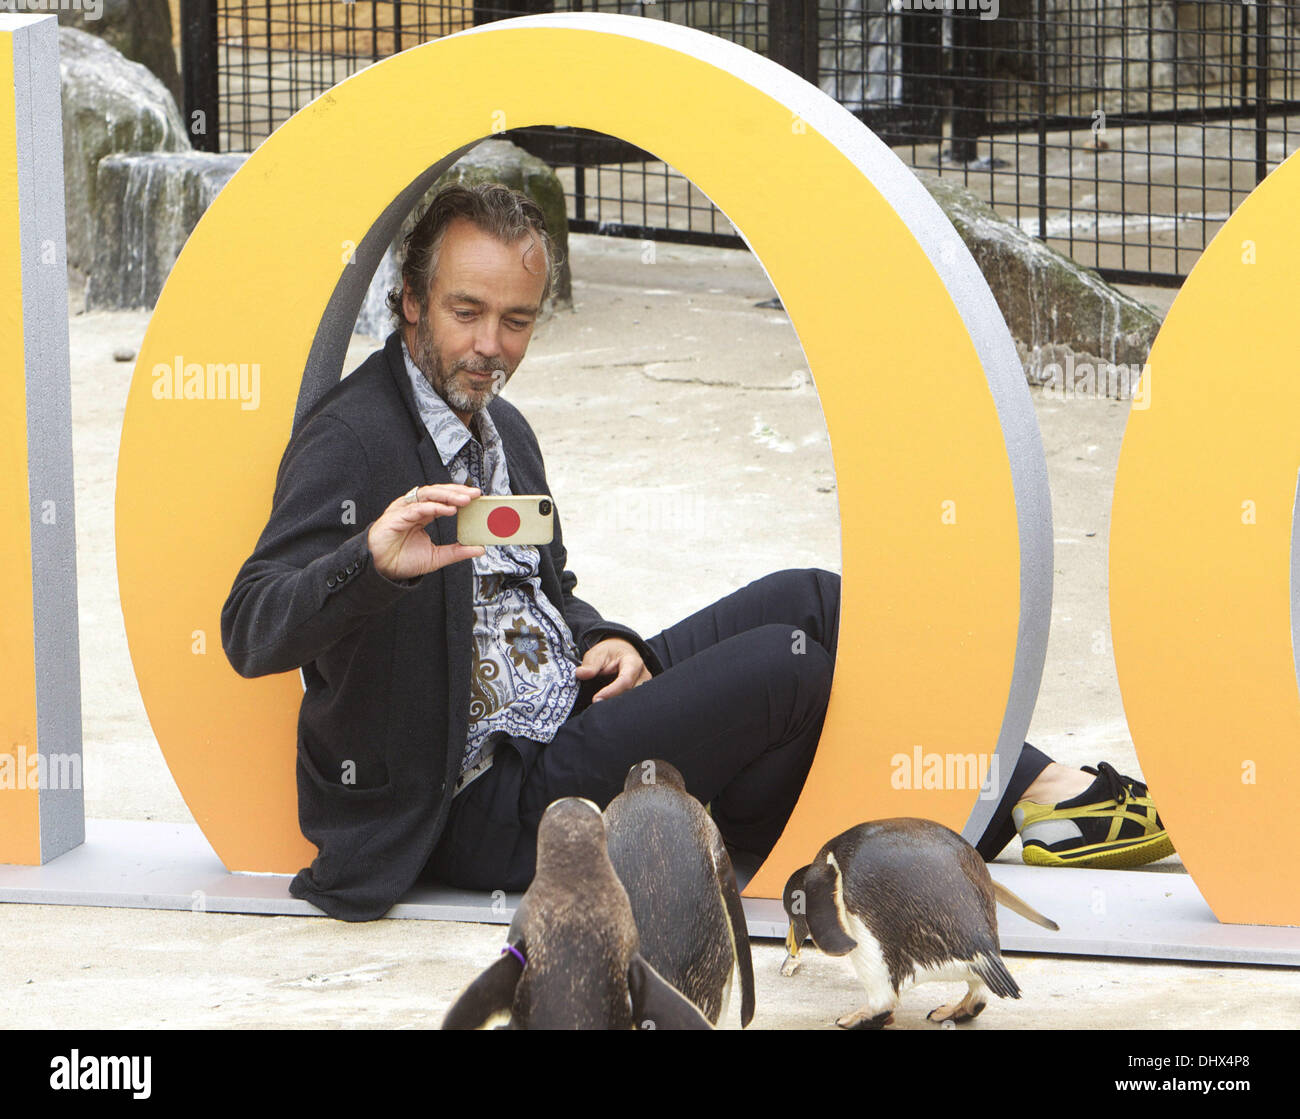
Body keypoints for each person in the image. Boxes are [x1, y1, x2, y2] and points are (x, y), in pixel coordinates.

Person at [221, 183, 1170, 922]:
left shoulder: (501, 423)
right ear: (409, 303)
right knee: (785, 670)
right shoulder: (353, 440)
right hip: (484, 801)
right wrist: (371, 563)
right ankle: (992, 808)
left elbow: (546, 590)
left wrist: (614, 640)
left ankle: (1046, 793)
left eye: (516, 321)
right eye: (467, 312)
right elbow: (250, 626)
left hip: (569, 709)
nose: (490, 346)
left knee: (817, 598)